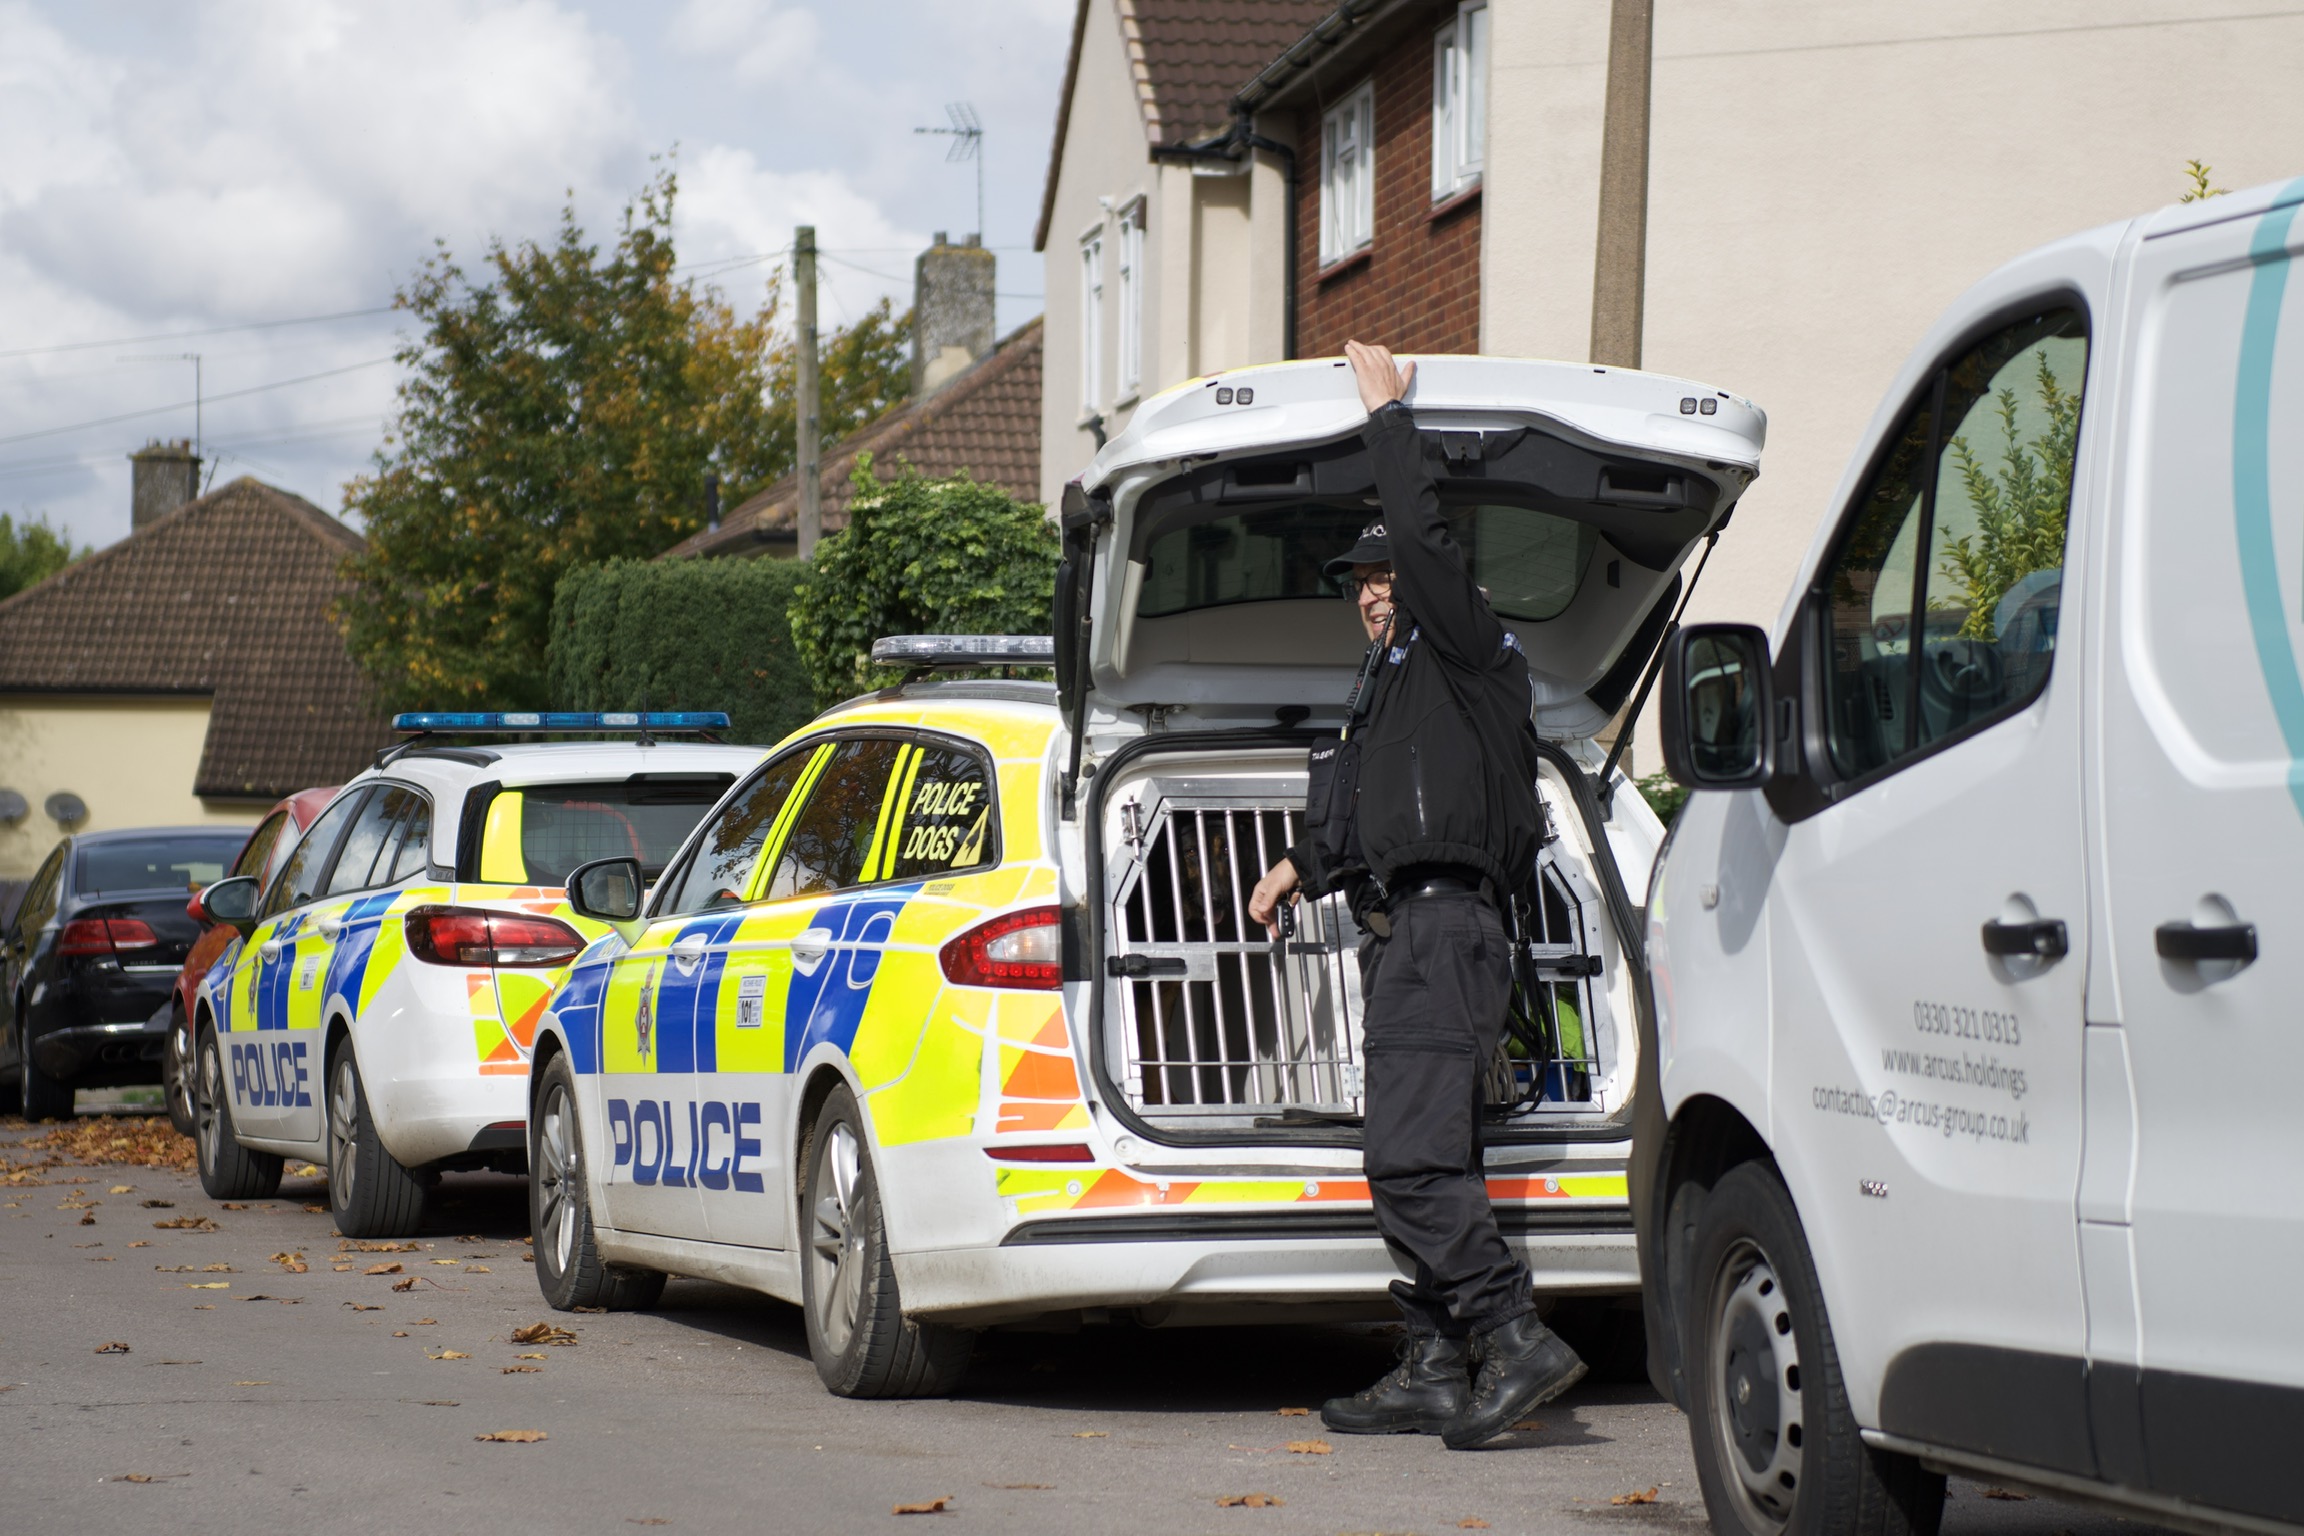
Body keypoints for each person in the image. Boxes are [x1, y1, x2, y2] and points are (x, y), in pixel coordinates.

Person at [1248, 340, 1586, 1450]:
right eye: (1362, 582)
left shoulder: (1469, 651)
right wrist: (1304, 862)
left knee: (1407, 1159)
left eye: (1388, 578)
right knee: (1436, 1152)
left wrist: (1387, 422)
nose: (1374, 594)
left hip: (1447, 933)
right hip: (1413, 932)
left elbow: (1431, 545)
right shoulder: (1387, 692)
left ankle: (1511, 1337)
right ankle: (1438, 1364)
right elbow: (1368, 802)